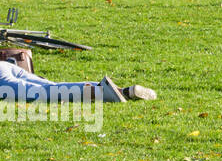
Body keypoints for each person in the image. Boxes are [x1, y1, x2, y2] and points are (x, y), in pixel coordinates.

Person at [0, 57, 156, 103]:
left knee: (44, 93)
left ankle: (102, 92)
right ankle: (123, 91)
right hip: (6, 66)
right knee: (52, 87)